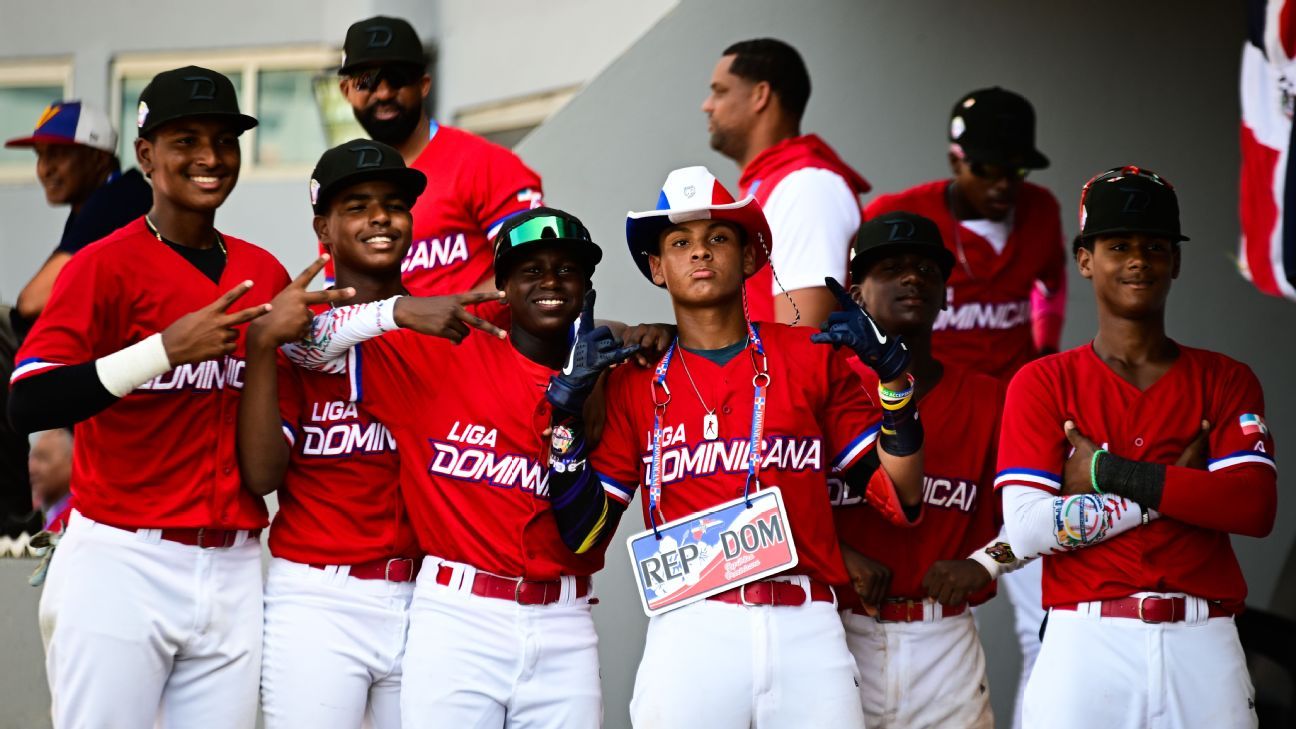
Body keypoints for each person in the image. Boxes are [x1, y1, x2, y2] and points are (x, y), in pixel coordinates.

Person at [6, 66, 337, 729]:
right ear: (146, 155)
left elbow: (269, 460)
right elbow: (29, 398)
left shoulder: (261, 270)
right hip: (123, 557)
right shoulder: (102, 263)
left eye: (225, 139)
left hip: (234, 563)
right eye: (186, 139)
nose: (211, 158)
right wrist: (162, 349)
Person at [541, 165, 925, 729]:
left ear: (749, 258)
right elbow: (586, 533)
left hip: (808, 629)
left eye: (718, 237)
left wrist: (893, 380)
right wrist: (567, 418)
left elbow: (901, 496)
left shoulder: (808, 355)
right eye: (680, 242)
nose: (700, 253)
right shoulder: (635, 380)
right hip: (692, 628)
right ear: (657, 267)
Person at [283, 206, 671, 728]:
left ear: (586, 285)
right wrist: (397, 311)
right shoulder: (437, 356)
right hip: (457, 619)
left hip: (566, 624)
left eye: (567, 270)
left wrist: (657, 338)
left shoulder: (615, 376)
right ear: (502, 285)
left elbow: (589, 537)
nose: (551, 282)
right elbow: (303, 347)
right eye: (531, 271)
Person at [996, 166, 1276, 729]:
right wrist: (1174, 486)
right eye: (1117, 245)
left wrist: (1108, 471)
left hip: (1203, 638)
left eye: (1155, 246)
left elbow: (1251, 507)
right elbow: (1027, 530)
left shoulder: (1226, 379)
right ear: (1085, 259)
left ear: (1176, 260)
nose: (1138, 260)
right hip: (1085, 638)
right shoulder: (1042, 381)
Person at [864, 87, 1064, 725]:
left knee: (1048, 623)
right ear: (956, 159)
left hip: (1001, 424)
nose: (1005, 183)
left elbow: (1050, 289)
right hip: (916, 412)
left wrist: (1040, 367)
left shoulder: (1041, 212)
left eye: (1017, 169)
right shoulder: (905, 218)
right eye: (987, 168)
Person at [237, 139, 422, 728]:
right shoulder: (297, 334)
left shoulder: (440, 324)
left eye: (393, 203)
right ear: (324, 225)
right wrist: (265, 347)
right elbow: (262, 474)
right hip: (319, 598)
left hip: (429, 596)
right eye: (357, 205)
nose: (379, 218)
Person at [834, 212, 1025, 729]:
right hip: (835, 633)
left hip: (944, 641)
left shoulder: (993, 399)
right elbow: (769, 500)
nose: (913, 277)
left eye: (927, 270)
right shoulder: (822, 389)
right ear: (857, 294)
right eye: (892, 268)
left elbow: (1041, 519)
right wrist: (838, 554)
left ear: (945, 296)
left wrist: (988, 562)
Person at [331, 14, 544, 324]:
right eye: (367, 81)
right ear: (346, 90)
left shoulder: (486, 163)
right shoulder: (340, 184)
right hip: (387, 365)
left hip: (482, 359)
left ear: (424, 84)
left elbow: (534, 266)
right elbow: (341, 301)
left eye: (398, 78)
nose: (384, 93)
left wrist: (443, 319)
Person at [702, 38, 870, 327]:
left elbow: (801, 338)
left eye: (720, 92)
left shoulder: (807, 186)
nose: (707, 106)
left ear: (760, 95)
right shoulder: (773, 182)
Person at [5, 100, 153, 337]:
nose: (45, 169)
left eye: (57, 154)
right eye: (40, 155)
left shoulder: (119, 199)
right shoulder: (100, 198)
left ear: (98, 159)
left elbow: (32, 303)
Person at [28, 428, 73, 534]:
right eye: (32, 458)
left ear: (72, 461)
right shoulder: (51, 517)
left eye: (43, 458)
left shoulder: (77, 522)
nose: (32, 469)